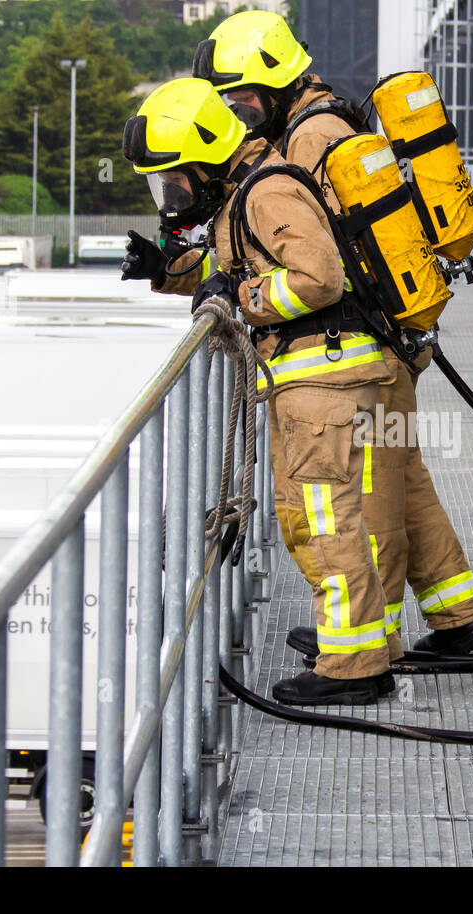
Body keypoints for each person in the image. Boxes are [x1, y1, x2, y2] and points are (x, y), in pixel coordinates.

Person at [187, 9, 473, 662]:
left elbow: (320, 262)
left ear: (274, 85)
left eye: (242, 99)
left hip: (366, 346)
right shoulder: (329, 120)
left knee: (372, 492)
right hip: (393, 338)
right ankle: (457, 619)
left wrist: (238, 291)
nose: (240, 114)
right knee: (403, 479)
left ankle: (362, 642)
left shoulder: (310, 137)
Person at [121, 77, 398, 705]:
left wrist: (241, 299)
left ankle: (355, 668)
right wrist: (177, 273)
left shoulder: (267, 191)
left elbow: (319, 279)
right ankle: (359, 646)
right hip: (315, 379)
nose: (169, 197)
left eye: (172, 180)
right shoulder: (247, 188)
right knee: (321, 519)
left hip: (321, 380)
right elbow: (244, 264)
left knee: (324, 521)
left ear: (200, 161)